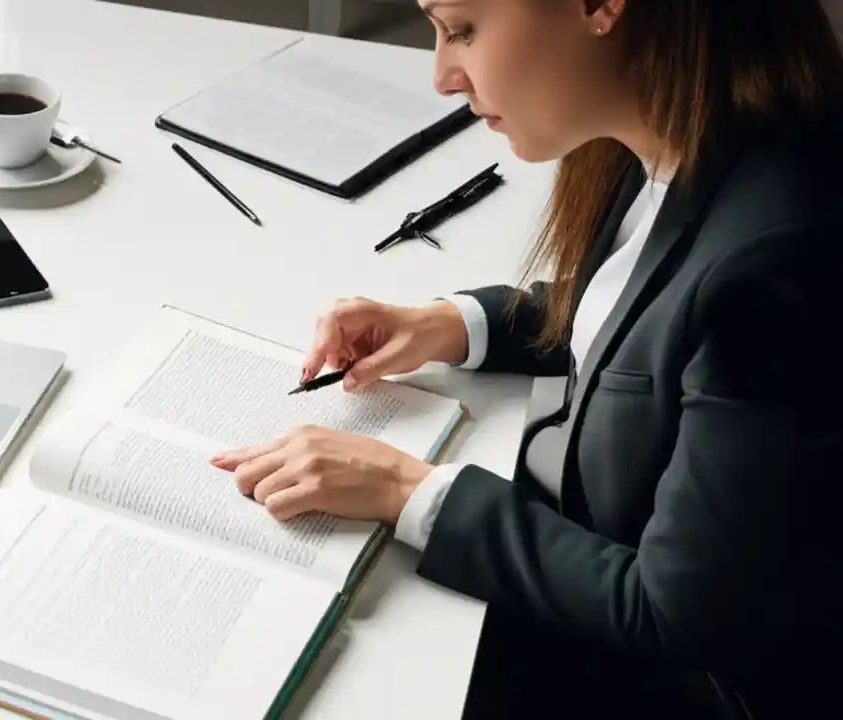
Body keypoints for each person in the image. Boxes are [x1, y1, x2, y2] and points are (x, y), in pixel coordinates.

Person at [210, 1, 843, 717]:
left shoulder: (782, 262)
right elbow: (649, 307)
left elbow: (676, 618)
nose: (443, 76)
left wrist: (406, 488)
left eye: (462, 30)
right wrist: (454, 324)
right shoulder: (676, 139)